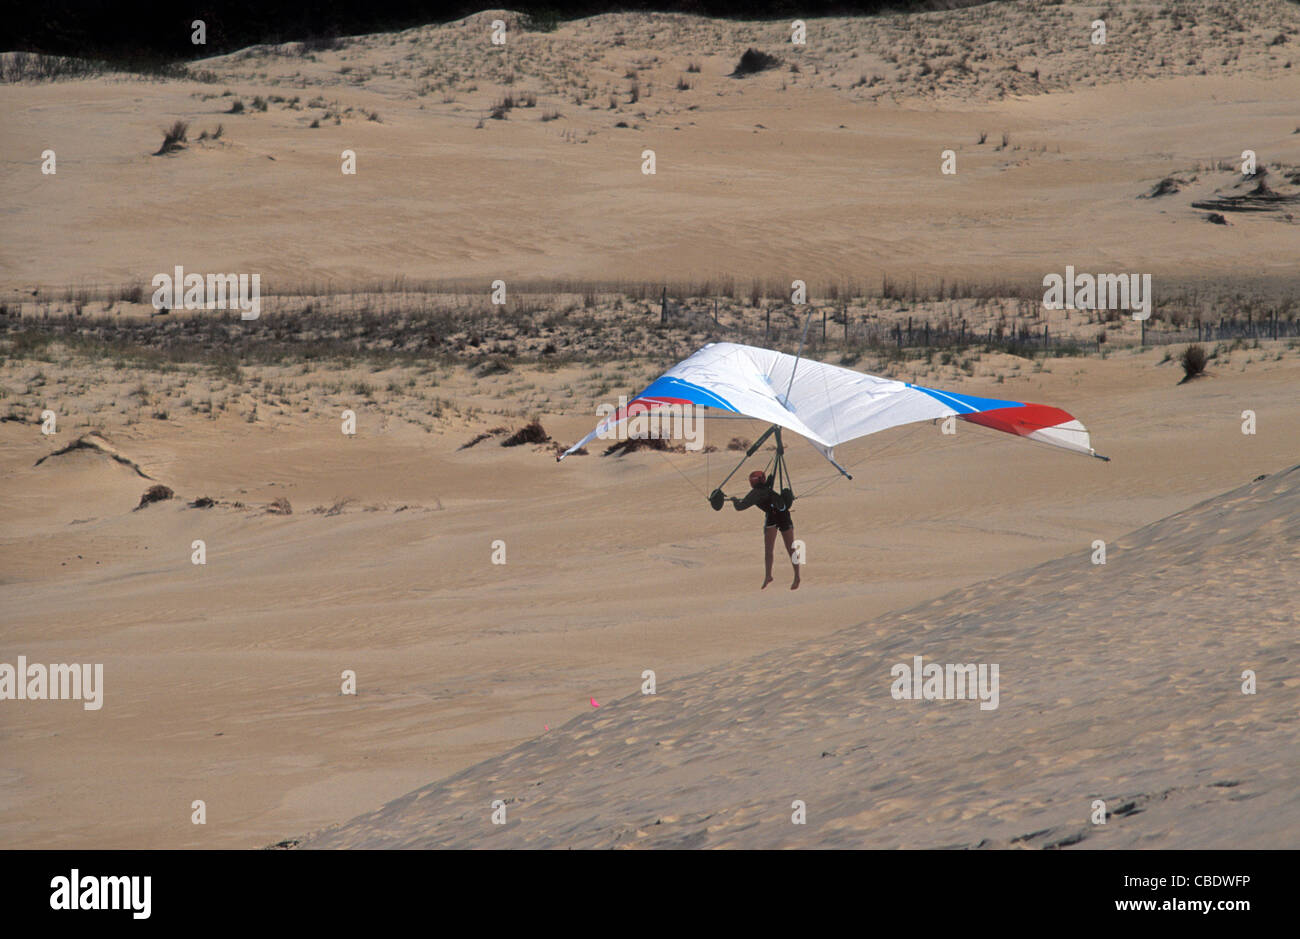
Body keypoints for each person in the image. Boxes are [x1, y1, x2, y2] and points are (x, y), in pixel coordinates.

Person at [731, 470, 800, 590]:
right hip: (781, 515)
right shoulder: (764, 488)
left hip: (777, 516)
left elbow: (740, 507)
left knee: (771, 550)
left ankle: (780, 576)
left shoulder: (756, 493)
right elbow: (768, 482)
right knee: (789, 549)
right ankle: (787, 576)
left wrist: (734, 500)